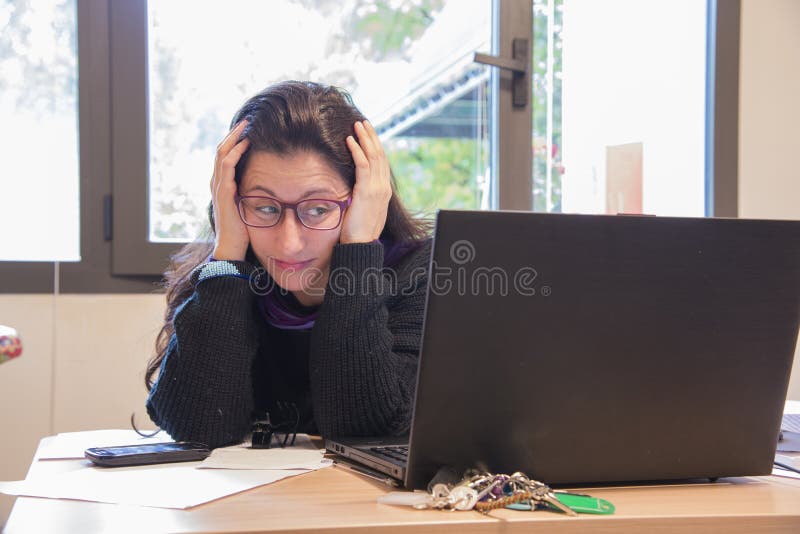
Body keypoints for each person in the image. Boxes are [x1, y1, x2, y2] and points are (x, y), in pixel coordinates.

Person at [145, 81, 432, 449]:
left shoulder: (419, 275)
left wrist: (358, 250)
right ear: (231, 203)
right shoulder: (224, 278)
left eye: (318, 209)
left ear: (367, 199)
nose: (289, 243)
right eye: (264, 207)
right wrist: (229, 251)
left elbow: (367, 431)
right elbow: (198, 429)